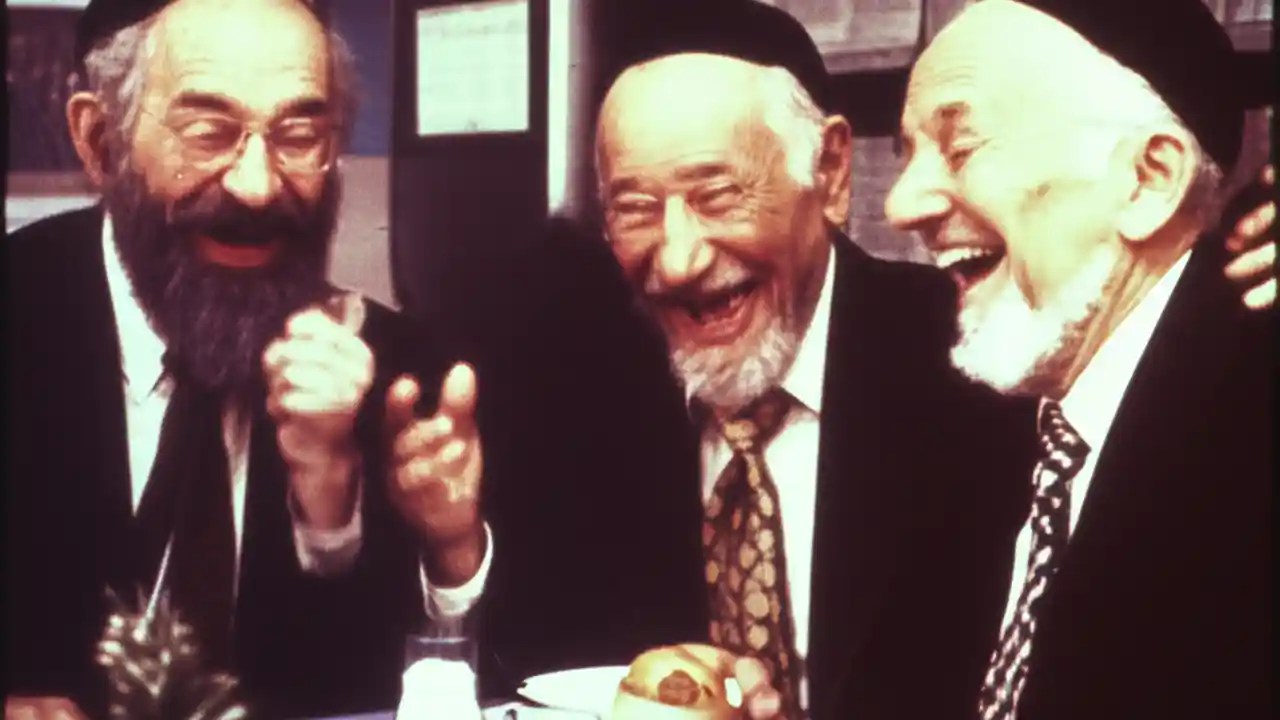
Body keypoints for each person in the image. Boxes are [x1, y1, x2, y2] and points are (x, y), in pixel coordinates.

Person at [437, 2, 1271, 719]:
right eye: (634, 208)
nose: (902, 203)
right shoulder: (571, 384)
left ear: (830, 172)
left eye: (963, 146)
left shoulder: (991, 371)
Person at [4, 0, 485, 717]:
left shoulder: (399, 374)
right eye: (209, 133)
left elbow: (400, 686)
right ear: (101, 141)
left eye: (299, 135)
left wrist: (343, 510)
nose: (257, 186)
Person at [885, 0, 1273, 718]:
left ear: (1149, 178)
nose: (902, 206)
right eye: (908, 156)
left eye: (961, 147)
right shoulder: (984, 429)